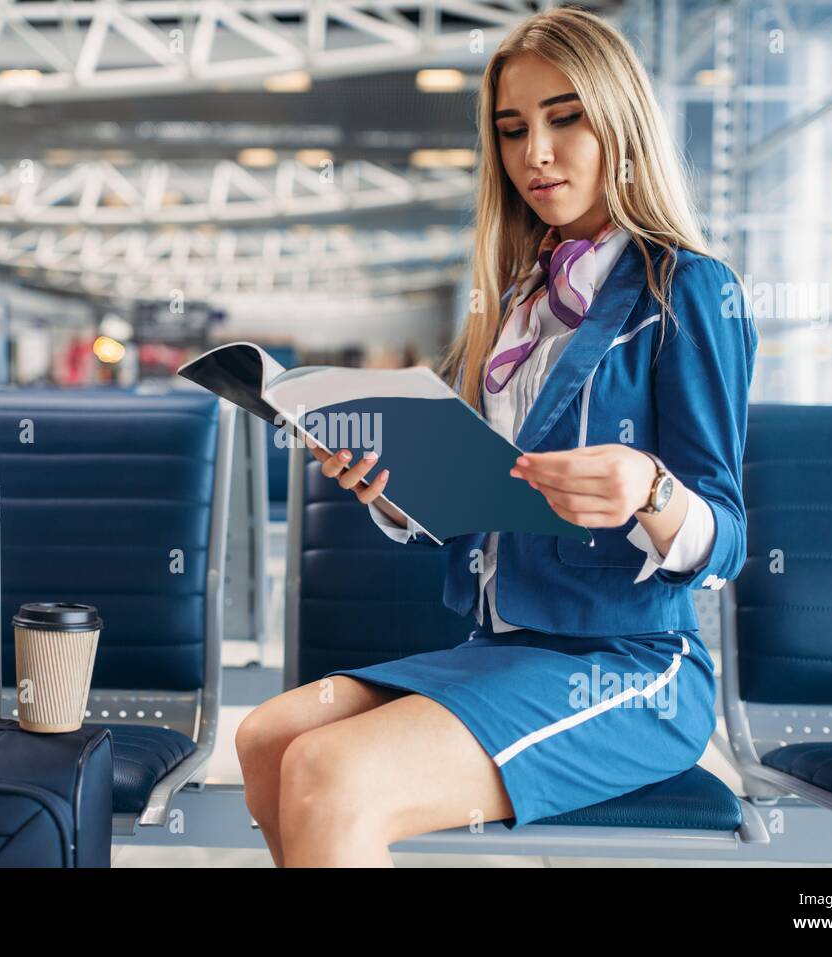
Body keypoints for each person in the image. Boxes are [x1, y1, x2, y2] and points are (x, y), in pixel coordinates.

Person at [235, 6, 758, 867]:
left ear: (620, 121)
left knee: (331, 768)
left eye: (564, 118)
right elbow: (481, 498)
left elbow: (729, 541)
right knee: (267, 734)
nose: (535, 154)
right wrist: (392, 487)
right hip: (498, 651)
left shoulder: (687, 290)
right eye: (514, 130)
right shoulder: (516, 306)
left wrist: (652, 489)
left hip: (632, 662)